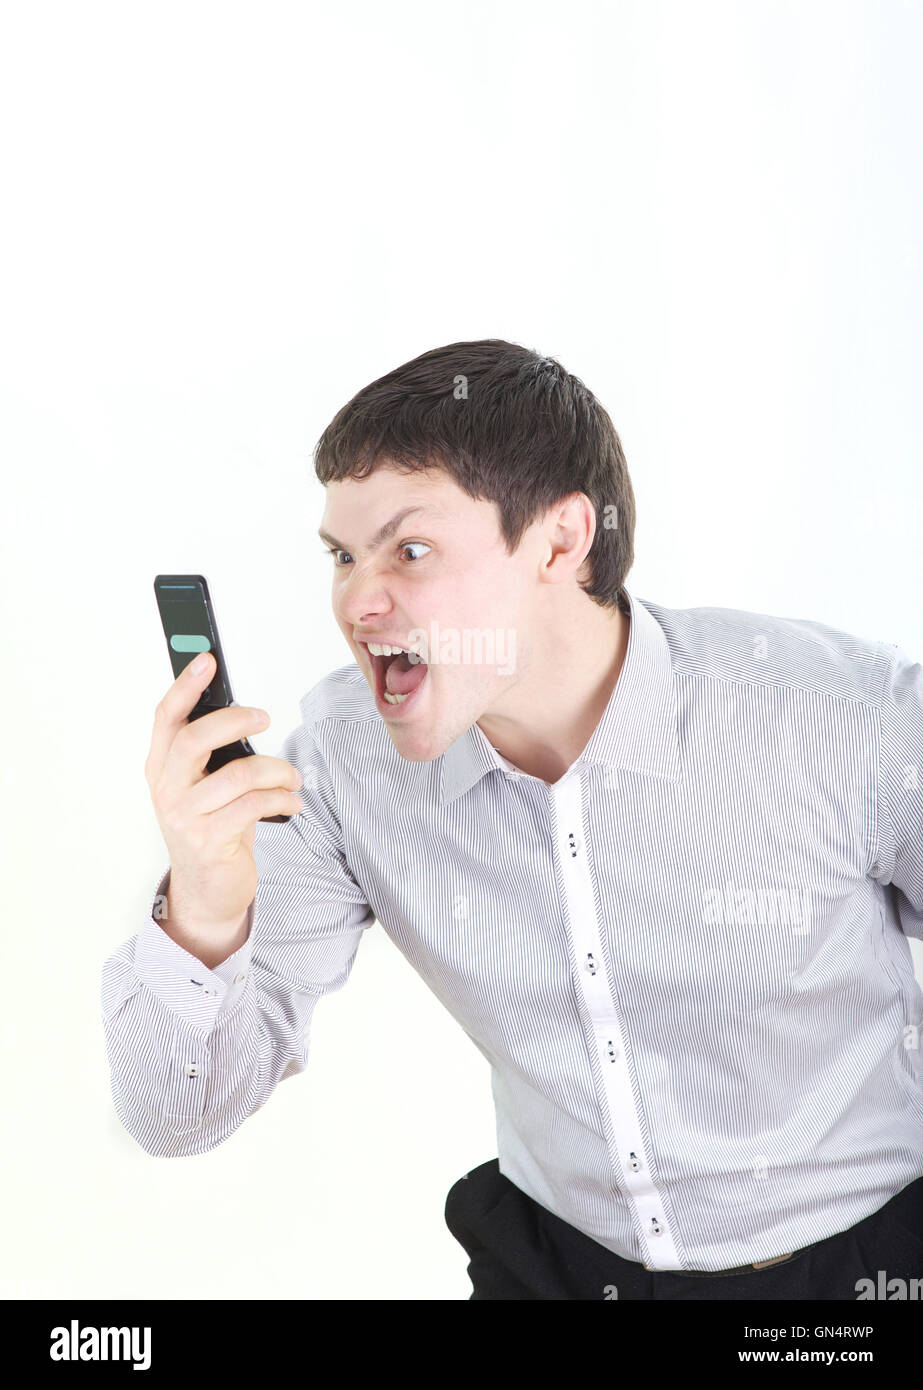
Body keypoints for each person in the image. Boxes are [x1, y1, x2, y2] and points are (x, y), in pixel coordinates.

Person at [101, 338, 923, 1300]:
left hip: (852, 1275)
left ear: (561, 540)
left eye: (409, 549)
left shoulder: (840, 717)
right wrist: (202, 905)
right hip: (553, 1267)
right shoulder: (339, 759)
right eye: (341, 556)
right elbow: (176, 1115)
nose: (358, 601)